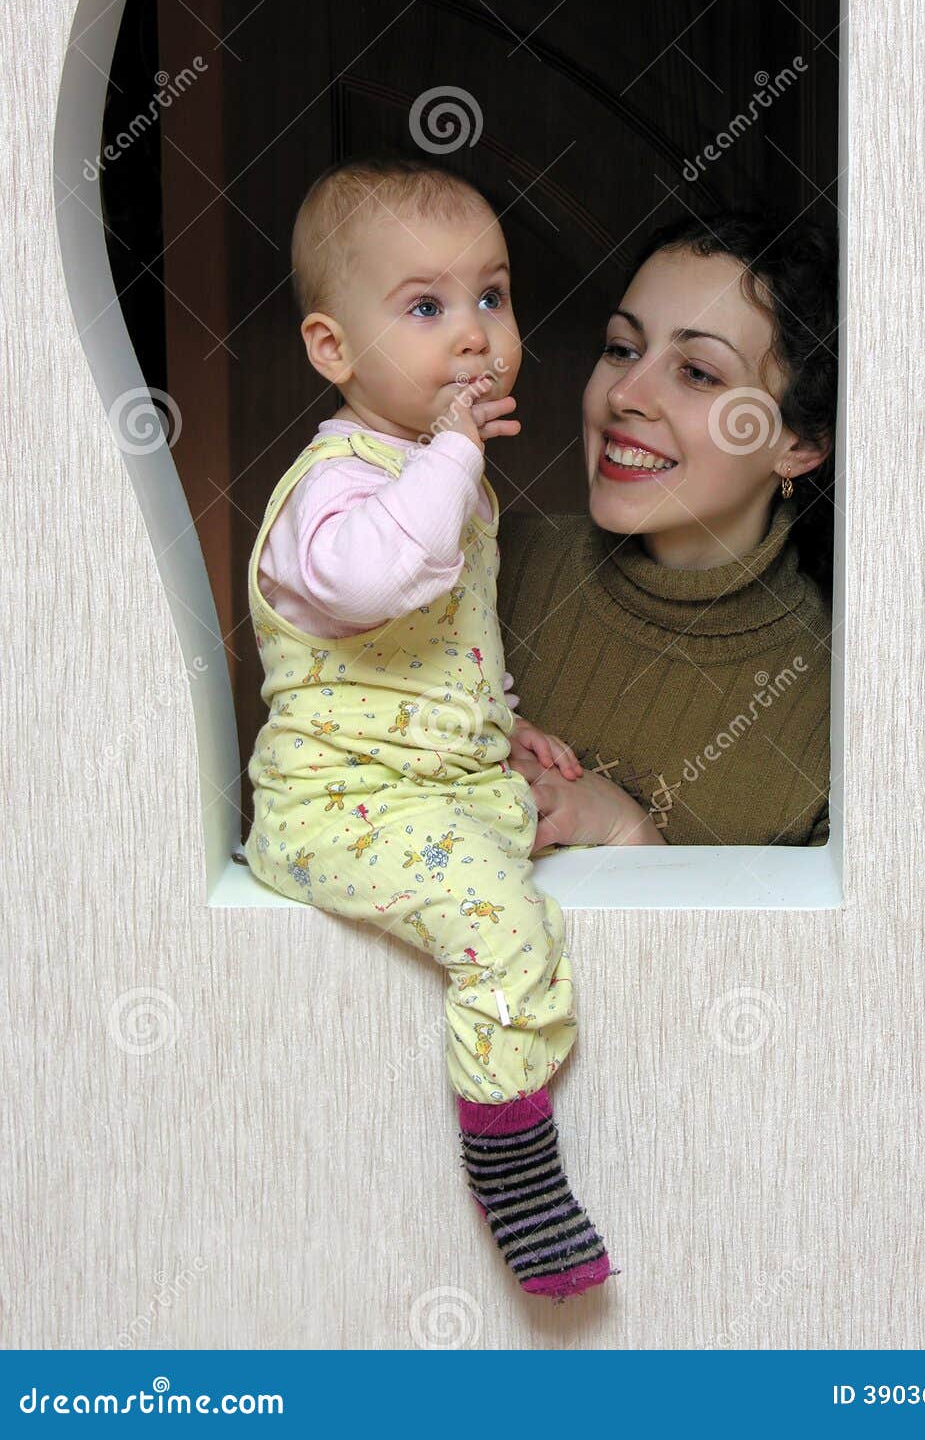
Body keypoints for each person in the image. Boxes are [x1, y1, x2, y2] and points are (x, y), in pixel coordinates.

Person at [244, 156, 613, 1301]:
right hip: (328, 807)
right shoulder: (339, 485)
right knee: (504, 925)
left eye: (491, 298)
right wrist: (457, 452)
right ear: (332, 350)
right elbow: (372, 584)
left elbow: (417, 665)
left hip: (421, 788)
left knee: (573, 827)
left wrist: (501, 730)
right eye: (426, 307)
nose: (474, 337)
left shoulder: (439, 480)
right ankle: (512, 1162)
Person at [497, 209, 837, 857]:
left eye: (697, 372)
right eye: (622, 349)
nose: (625, 392)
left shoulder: (837, 704)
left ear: (797, 446)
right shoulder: (468, 569)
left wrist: (633, 840)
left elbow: (812, 961)